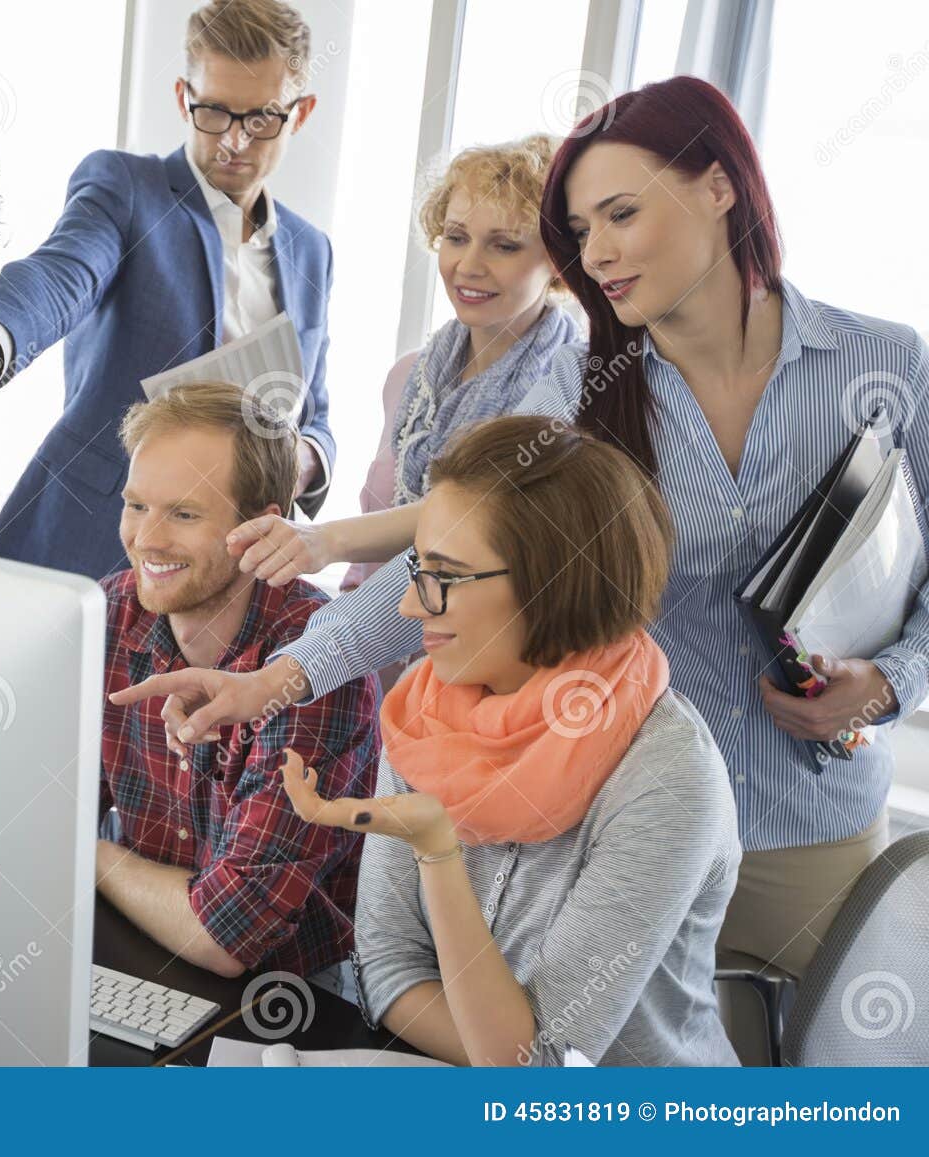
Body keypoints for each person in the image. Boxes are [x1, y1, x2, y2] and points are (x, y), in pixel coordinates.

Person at [118, 75, 929, 984]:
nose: (601, 253)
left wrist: (886, 685)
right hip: (631, 832)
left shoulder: (885, 362)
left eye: (622, 214)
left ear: (718, 185)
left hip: (813, 832)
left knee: (806, 1116)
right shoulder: (584, 389)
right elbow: (443, 562)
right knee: (622, 1109)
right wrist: (278, 677)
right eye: (582, 232)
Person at [276, 415, 740, 1065]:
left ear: (553, 582)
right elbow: (385, 966)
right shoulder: (425, 707)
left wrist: (438, 853)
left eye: (442, 575)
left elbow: (544, 1064)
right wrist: (500, 1045)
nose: (410, 606)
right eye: (417, 566)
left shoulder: (666, 774)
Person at [0, 0, 339, 579]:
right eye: (214, 112)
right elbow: (61, 274)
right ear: (183, 97)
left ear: (299, 114)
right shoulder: (128, 190)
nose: (233, 141)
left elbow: (317, 412)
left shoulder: (312, 250)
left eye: (260, 119)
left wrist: (297, 462)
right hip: (95, 544)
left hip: (233, 572)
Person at [97, 382, 378, 982]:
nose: (146, 539)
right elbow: (34, 810)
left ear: (262, 530)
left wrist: (82, 859)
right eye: (137, 505)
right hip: (138, 944)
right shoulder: (110, 612)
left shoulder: (314, 666)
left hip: (290, 1004)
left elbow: (229, 937)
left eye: (185, 513)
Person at [345, 134, 581, 595]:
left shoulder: (570, 394)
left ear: (556, 261)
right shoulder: (408, 377)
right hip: (371, 647)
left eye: (504, 245)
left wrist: (322, 541)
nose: (468, 265)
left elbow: (471, 521)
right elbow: (371, 547)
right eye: (456, 238)